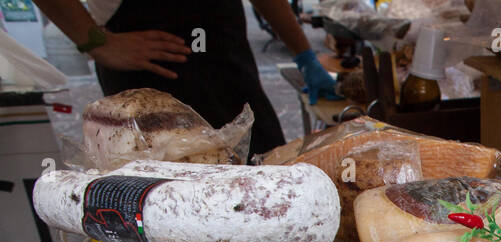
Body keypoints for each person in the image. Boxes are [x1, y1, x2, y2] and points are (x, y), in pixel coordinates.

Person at [34, 0, 341, 155]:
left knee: (266, 171)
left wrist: (304, 55)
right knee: (164, 202)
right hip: (146, 68)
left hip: (226, 60)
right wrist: (99, 43)